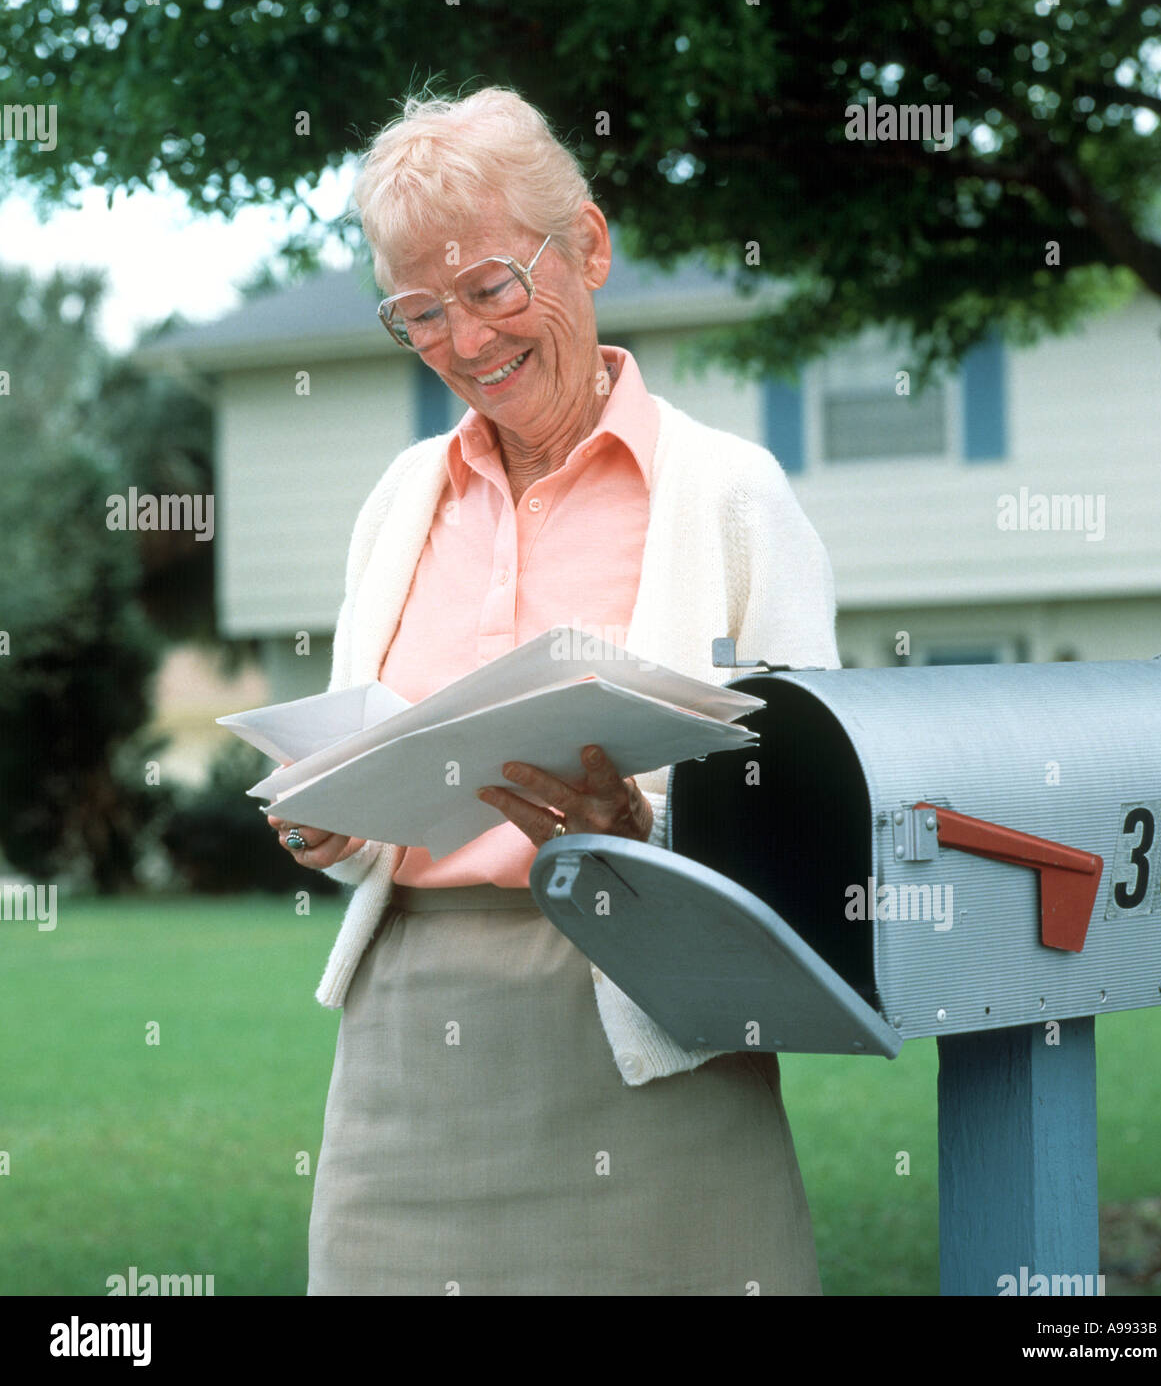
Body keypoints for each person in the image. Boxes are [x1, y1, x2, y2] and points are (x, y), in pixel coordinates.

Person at [266, 86, 841, 1296]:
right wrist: (330, 826)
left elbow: (829, 812)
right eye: (418, 312)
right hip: (404, 1053)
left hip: (653, 1023)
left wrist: (652, 836)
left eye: (488, 289)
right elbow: (362, 770)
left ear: (587, 244)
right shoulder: (397, 500)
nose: (465, 343)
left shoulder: (731, 497)